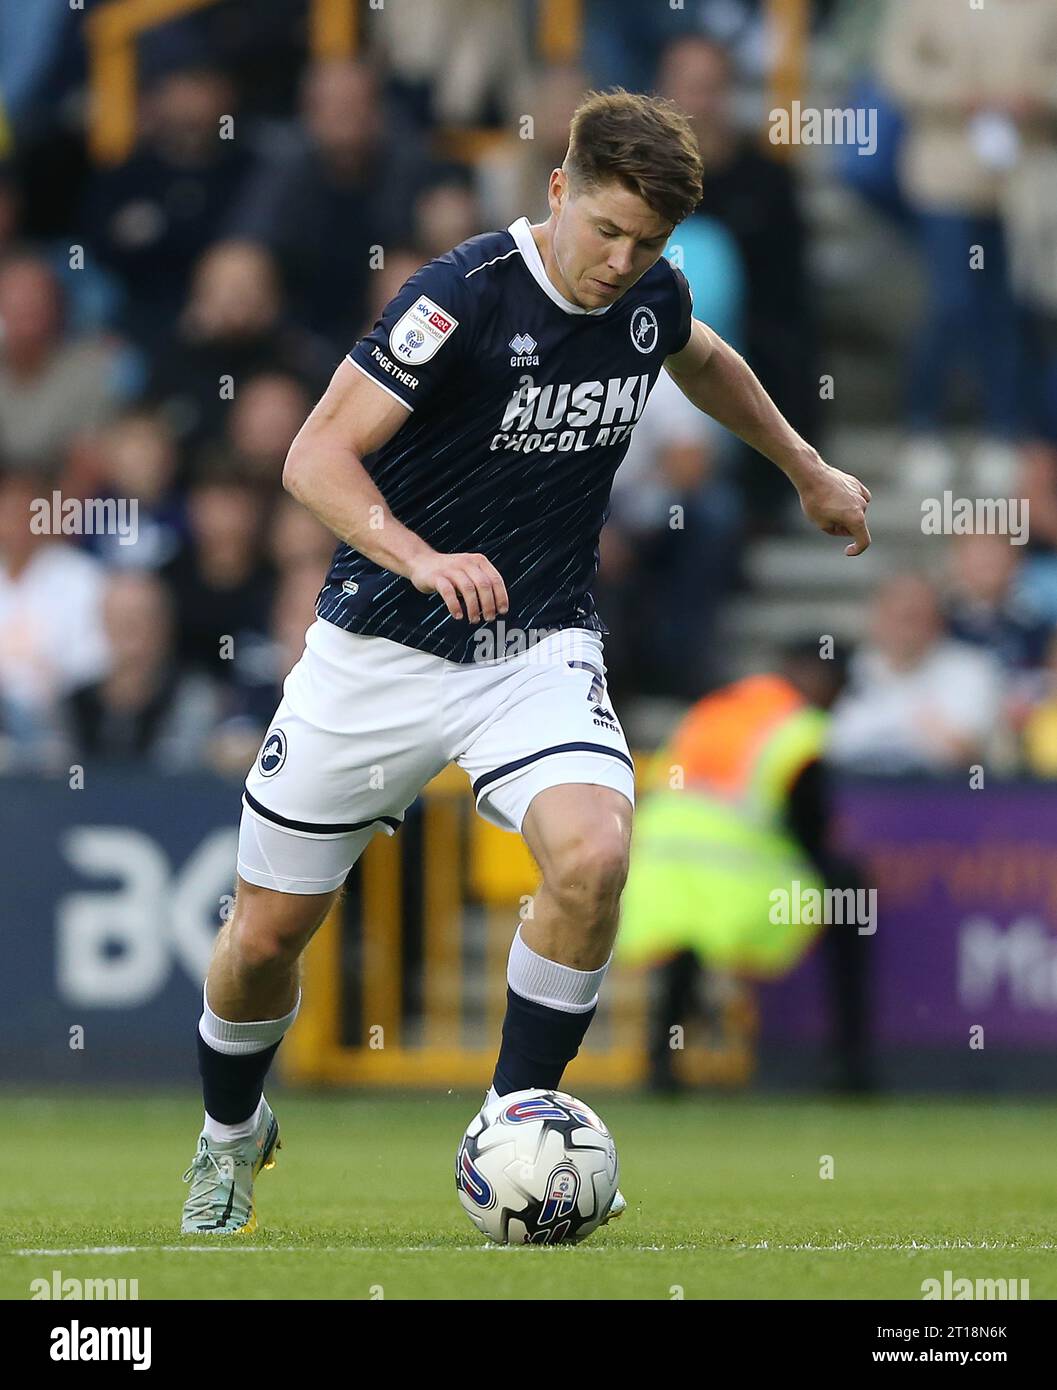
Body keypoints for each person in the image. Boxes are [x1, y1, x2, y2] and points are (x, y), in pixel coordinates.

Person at [179, 87, 872, 1236]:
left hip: (533, 645)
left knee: (595, 857)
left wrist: (804, 467)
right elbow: (313, 457)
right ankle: (226, 1135)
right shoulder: (458, 297)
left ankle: (510, 1122)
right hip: (378, 649)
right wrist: (417, 554)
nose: (619, 262)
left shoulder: (651, 292)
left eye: (645, 243)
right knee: (260, 938)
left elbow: (698, 355)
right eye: (603, 229)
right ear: (556, 190)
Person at [617, 642, 873, 1095]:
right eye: (838, 689)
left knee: (684, 950)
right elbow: (809, 826)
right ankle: (849, 1065)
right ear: (819, 678)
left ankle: (661, 1068)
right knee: (850, 895)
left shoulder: (716, 708)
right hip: (737, 867)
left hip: (661, 857)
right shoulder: (797, 728)